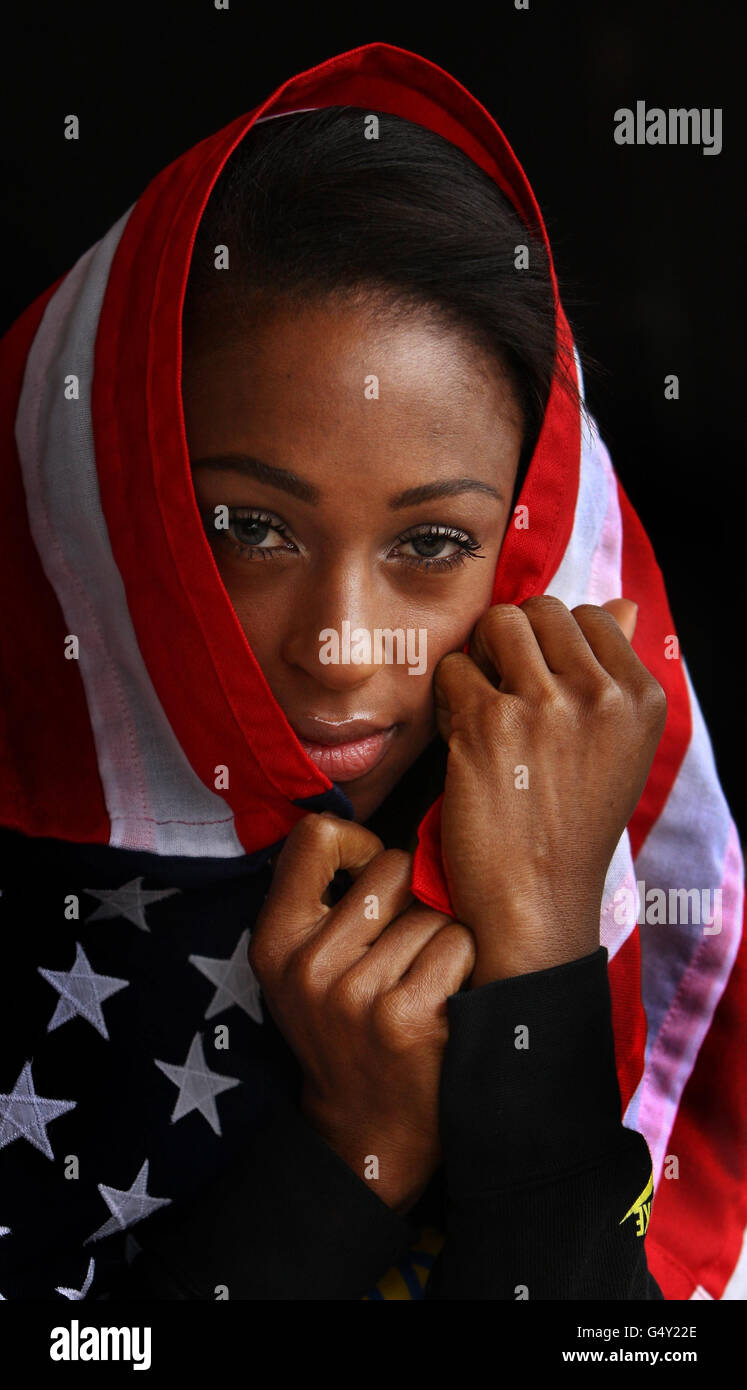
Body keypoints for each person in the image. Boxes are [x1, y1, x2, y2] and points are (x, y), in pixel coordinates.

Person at [0, 42, 743, 1302]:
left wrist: (547, 965)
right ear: (110, 504)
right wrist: (355, 1151)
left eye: (433, 543)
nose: (342, 645)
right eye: (248, 526)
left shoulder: (591, 866)